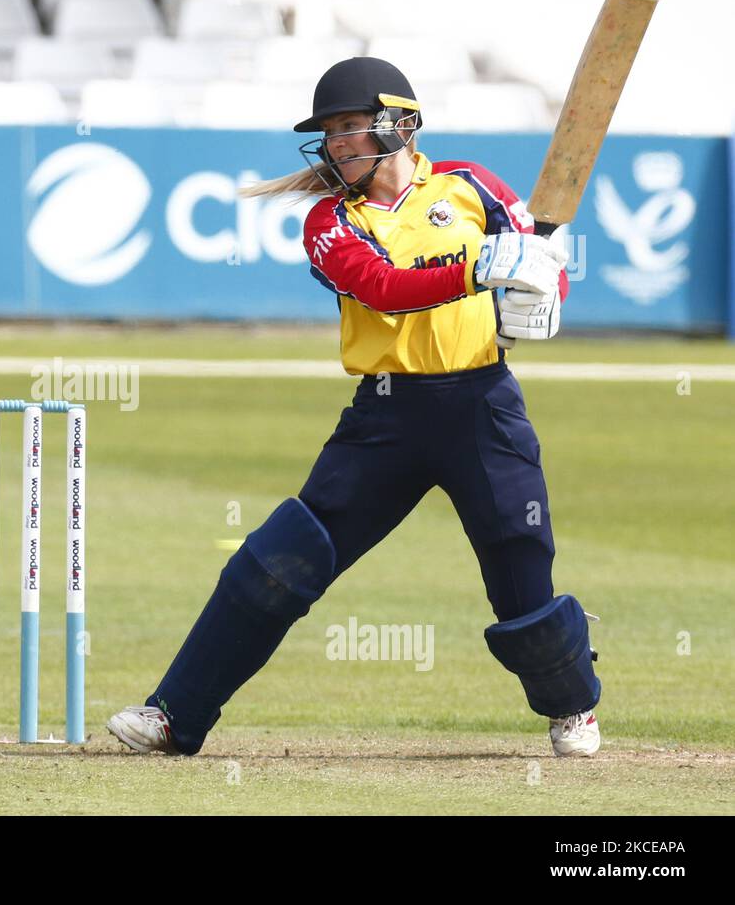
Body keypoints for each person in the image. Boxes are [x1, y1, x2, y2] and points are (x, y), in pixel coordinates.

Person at [107, 57, 601, 759]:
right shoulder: (328, 220)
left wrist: (540, 296)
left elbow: (540, 268)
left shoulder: (472, 185)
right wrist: (479, 268)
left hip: (483, 405)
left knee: (521, 574)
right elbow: (383, 286)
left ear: (400, 124)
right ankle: (173, 716)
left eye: (349, 127)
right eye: (329, 134)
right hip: (386, 419)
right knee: (279, 563)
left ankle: (572, 705)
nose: (337, 144)